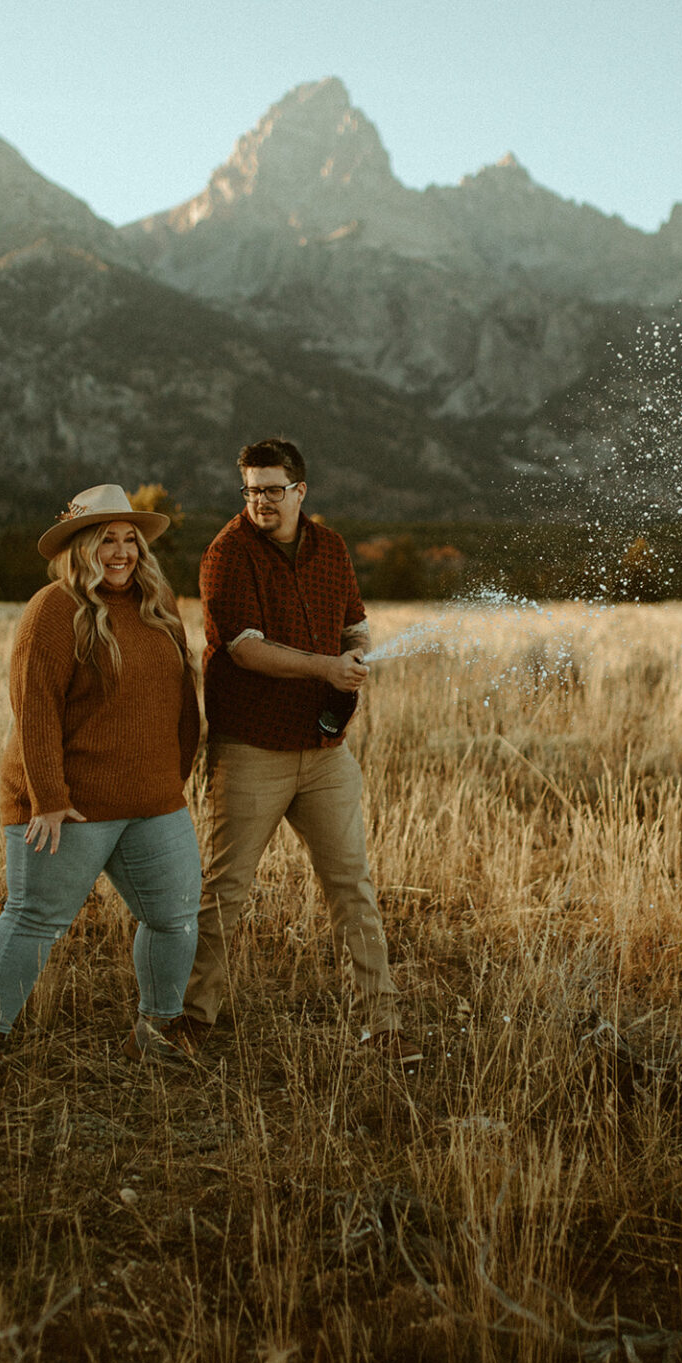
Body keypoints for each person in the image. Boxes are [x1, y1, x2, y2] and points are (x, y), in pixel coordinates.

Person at [174, 438, 422, 1066]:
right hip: (251, 749)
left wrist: (358, 654)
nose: (260, 500)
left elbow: (355, 621)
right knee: (226, 887)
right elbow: (245, 648)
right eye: (251, 489)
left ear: (300, 491)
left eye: (272, 489)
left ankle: (382, 1021)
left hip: (325, 749)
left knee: (351, 885)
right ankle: (193, 1017)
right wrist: (325, 668)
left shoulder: (332, 548)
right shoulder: (226, 554)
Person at [0, 484, 202, 1096]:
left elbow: (182, 703)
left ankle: (155, 1030)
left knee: (173, 919)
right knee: (34, 919)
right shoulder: (52, 608)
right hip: (70, 805)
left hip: (153, 803)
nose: (119, 552)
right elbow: (33, 707)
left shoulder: (157, 607)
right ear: (79, 547)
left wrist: (176, 778)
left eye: (129, 540)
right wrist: (48, 796)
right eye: (105, 540)